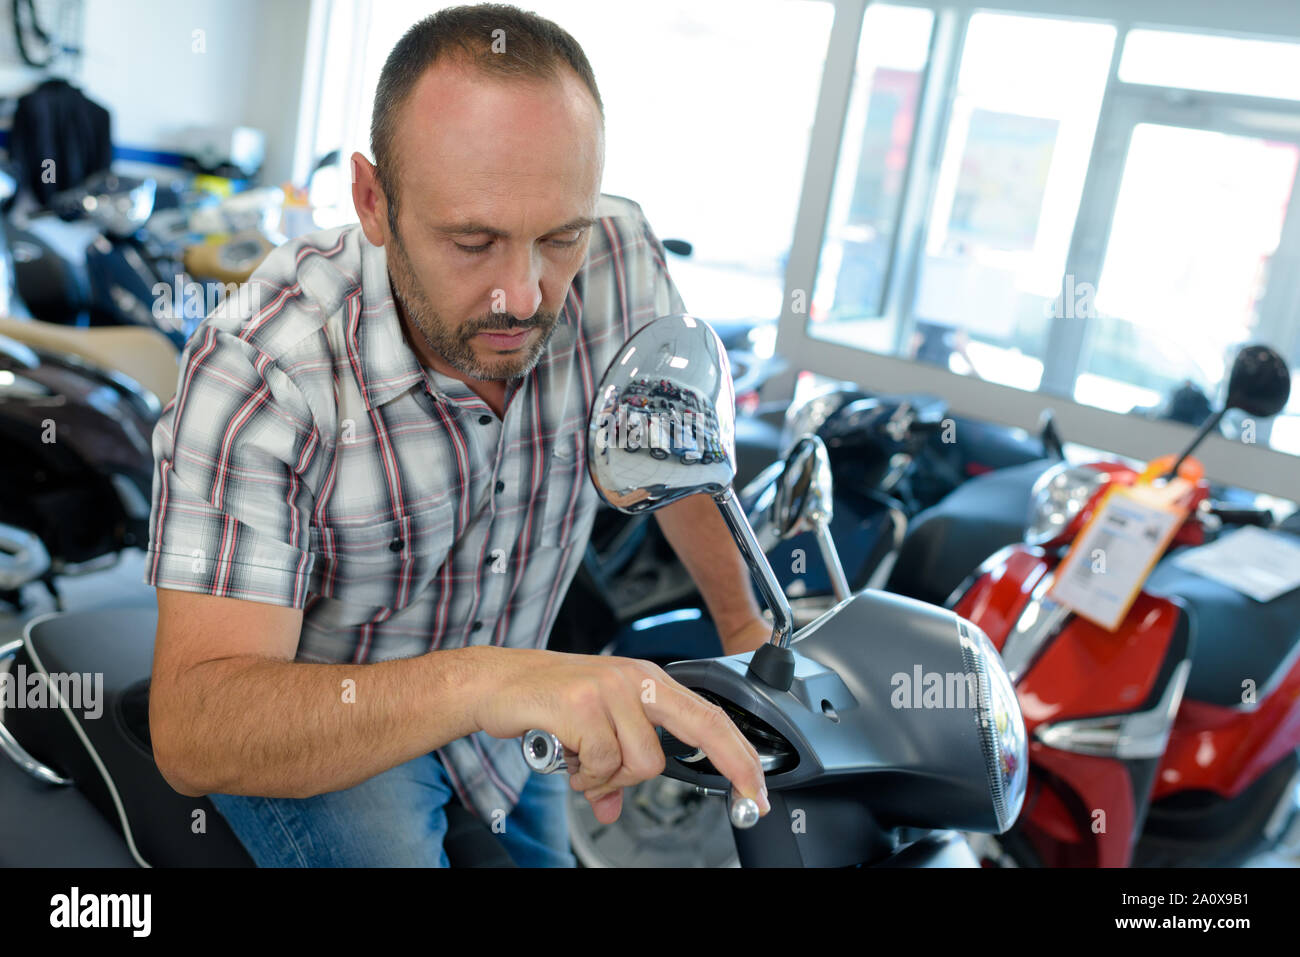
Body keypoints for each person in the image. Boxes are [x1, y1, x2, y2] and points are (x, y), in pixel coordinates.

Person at [144, 4, 773, 868]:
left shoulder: (622, 257)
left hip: (513, 712)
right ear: (373, 200)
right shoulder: (261, 368)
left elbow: (675, 452)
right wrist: (484, 680)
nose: (522, 294)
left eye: (559, 237)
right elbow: (195, 728)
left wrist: (747, 633)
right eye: (472, 241)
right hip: (330, 722)